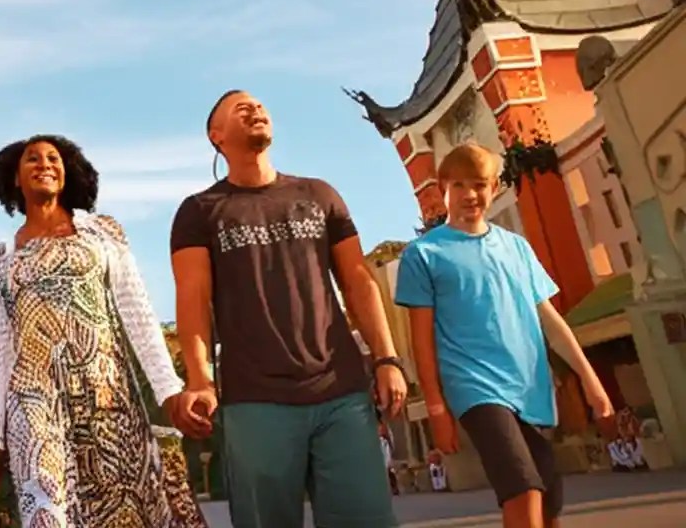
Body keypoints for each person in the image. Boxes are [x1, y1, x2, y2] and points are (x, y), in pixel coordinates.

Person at [169, 89, 406, 528]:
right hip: (255, 401)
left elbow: (357, 281)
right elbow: (192, 300)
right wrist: (200, 380)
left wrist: (387, 358)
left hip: (342, 393)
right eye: (241, 109)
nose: (256, 110)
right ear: (216, 136)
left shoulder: (319, 194)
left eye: (259, 106)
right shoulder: (199, 212)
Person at [0, 134, 207, 527]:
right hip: (33, 403)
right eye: (32, 159)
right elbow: (3, 352)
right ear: (14, 179)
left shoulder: (101, 234)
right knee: (45, 507)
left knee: (121, 511)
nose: (44, 164)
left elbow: (138, 314)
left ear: (67, 173)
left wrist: (170, 391)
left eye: (53, 158)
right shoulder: (0, 261)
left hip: (108, 397)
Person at [395, 142, 614, 528]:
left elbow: (549, 319)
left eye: (479, 184)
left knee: (547, 502)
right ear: (442, 187)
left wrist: (591, 382)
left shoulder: (516, 247)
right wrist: (436, 408)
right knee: (521, 486)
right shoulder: (424, 254)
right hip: (475, 388)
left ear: (494, 187)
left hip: (530, 386)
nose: (470, 195)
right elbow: (422, 340)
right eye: (459, 184)